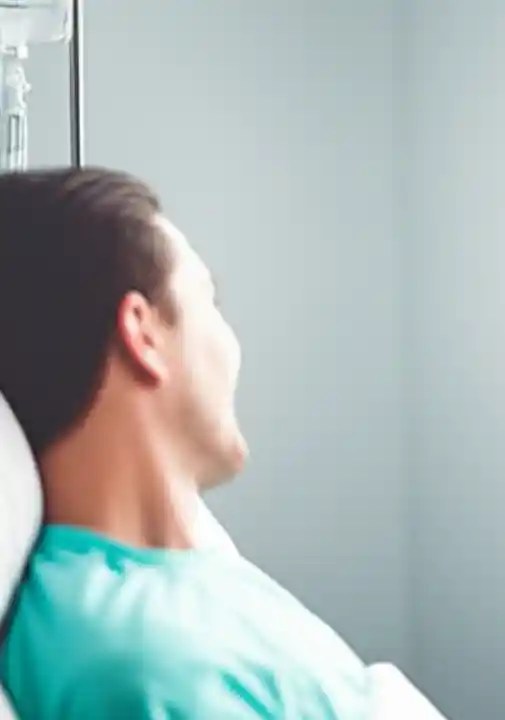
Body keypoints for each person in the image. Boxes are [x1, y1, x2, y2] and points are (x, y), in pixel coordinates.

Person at [0, 167, 398, 718]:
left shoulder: (182, 575)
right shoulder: (146, 665)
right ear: (142, 333)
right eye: (210, 300)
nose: (234, 347)